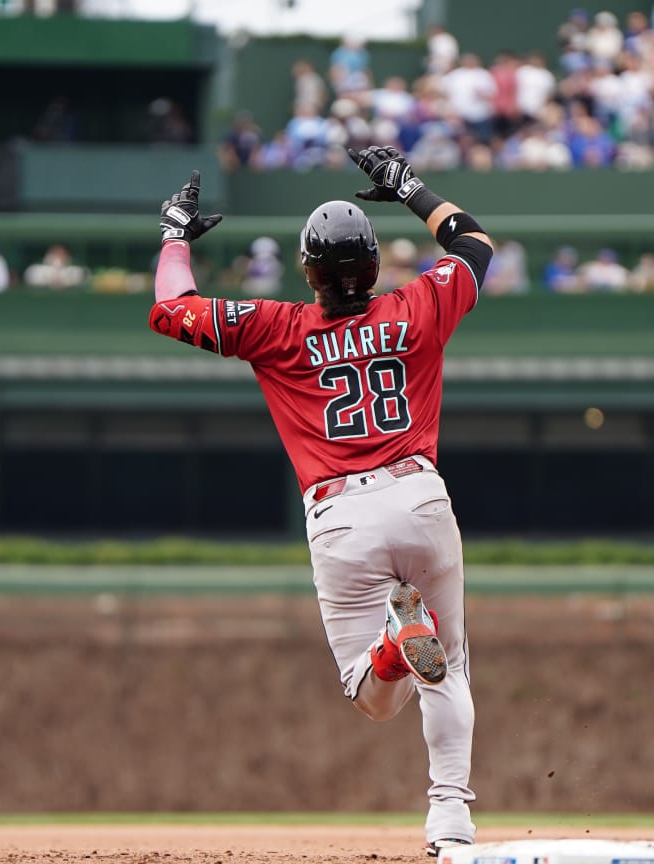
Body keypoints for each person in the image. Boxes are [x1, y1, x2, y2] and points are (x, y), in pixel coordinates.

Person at [146, 149, 488, 859]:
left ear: (308, 272)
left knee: (371, 694)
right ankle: (450, 819)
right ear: (372, 268)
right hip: (420, 493)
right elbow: (474, 243)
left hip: (339, 514)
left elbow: (170, 308)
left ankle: (397, 644)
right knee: (449, 670)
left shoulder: (278, 328)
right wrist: (411, 190)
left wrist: (175, 235)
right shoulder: (418, 307)